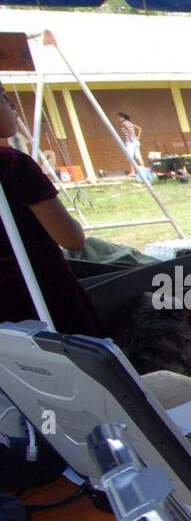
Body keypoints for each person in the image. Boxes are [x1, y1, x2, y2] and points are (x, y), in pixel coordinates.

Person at [1, 85, 99, 335]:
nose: (13, 107)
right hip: (40, 299)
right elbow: (71, 239)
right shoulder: (14, 164)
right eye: (4, 99)